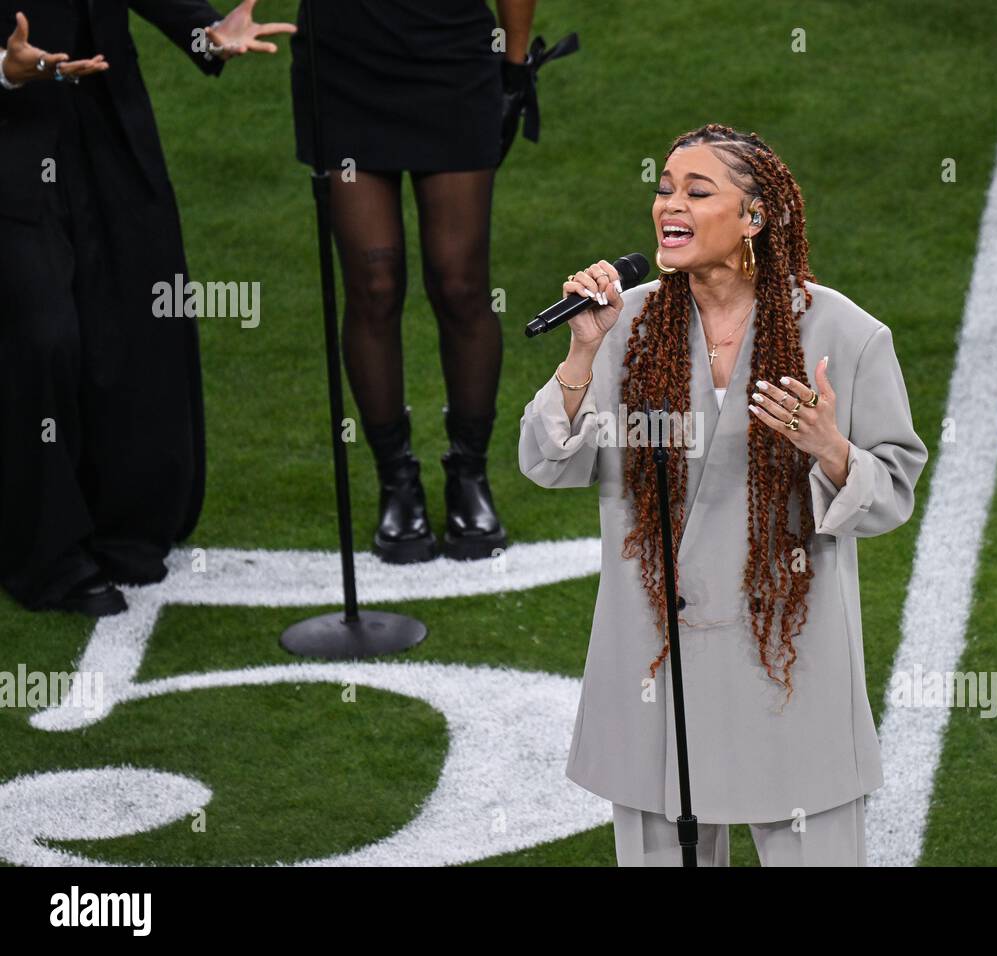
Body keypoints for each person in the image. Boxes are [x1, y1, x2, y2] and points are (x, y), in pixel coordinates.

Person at [518, 123, 929, 866]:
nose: (669, 205)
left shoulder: (845, 334)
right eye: (665, 187)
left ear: (754, 217)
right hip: (655, 670)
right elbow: (549, 461)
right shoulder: (628, 325)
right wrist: (582, 349)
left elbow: (893, 488)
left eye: (697, 191)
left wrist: (831, 450)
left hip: (785, 669)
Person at [0, 1, 295, 616]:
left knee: (137, 312)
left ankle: (124, 523)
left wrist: (205, 35)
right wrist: (3, 67)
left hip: (109, 120)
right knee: (44, 331)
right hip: (13, 132)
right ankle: (48, 554)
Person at [289, 0, 535, 563]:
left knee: (460, 284)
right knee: (373, 285)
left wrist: (515, 67)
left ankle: (468, 474)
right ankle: (396, 480)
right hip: (342, 63)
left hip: (451, 55)